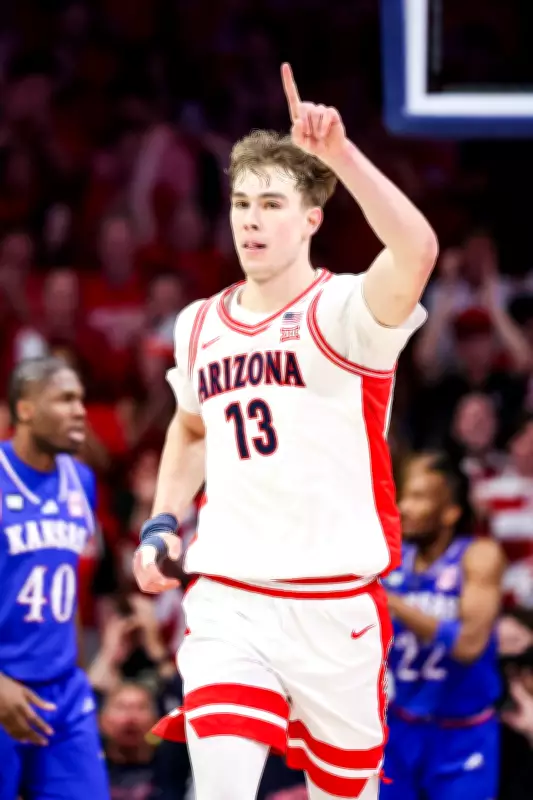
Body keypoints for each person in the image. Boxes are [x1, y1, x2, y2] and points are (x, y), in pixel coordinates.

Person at [134, 63, 439, 800]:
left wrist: (340, 156)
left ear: (311, 218)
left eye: (271, 202)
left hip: (335, 608)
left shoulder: (346, 312)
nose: (250, 218)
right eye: (241, 202)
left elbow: (417, 252)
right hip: (231, 596)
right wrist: (163, 521)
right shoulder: (198, 324)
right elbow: (190, 426)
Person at [0, 356, 109, 800]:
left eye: (81, 399)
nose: (80, 410)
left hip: (63, 692)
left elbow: (69, 594)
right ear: (25, 410)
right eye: (65, 399)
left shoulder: (81, 480)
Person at [382, 454, 504, 800]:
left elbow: (468, 645)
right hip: (400, 724)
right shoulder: (391, 556)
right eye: (404, 495)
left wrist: (393, 603)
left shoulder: (478, 557)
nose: (403, 506)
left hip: (461, 733)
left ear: (450, 512)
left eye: (419, 497)